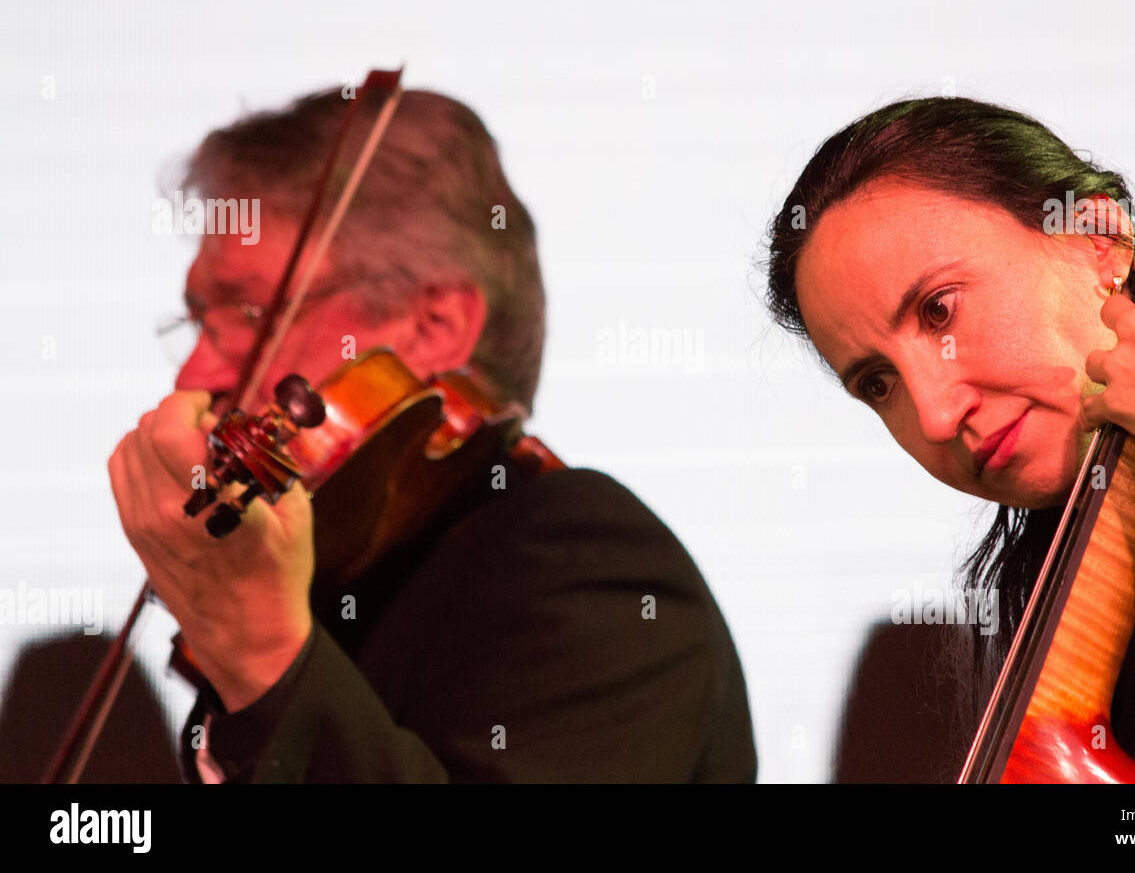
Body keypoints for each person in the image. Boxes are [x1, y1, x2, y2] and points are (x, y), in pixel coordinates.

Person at [108, 86, 757, 782]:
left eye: (248, 314)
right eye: (200, 325)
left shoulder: (587, 564)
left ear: (435, 325)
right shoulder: (338, 585)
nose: (196, 378)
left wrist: (262, 657)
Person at [764, 96, 1135, 783]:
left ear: (1097, 240)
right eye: (878, 383)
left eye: (938, 310)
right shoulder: (1063, 635)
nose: (932, 415)